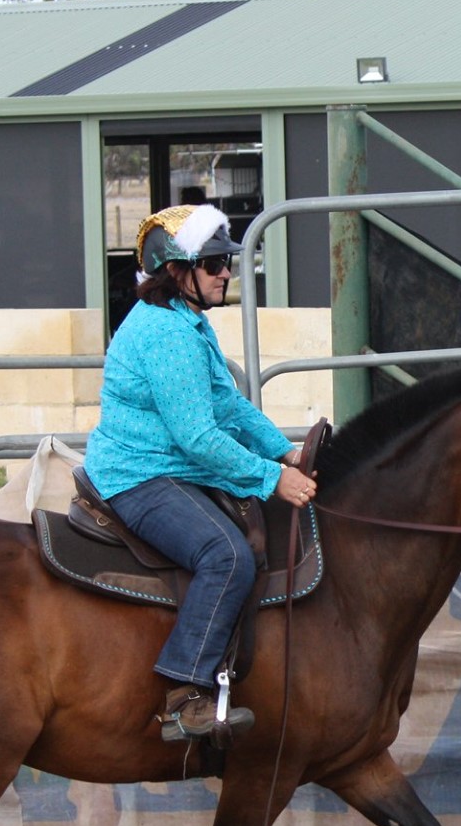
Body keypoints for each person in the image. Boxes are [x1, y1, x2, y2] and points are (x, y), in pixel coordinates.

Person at [83, 203, 317, 745]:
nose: (226, 273)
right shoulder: (167, 335)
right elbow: (199, 438)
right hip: (140, 476)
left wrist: (285, 451)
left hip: (170, 466)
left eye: (226, 263)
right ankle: (184, 695)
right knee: (227, 556)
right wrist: (272, 478)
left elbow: (227, 405)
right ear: (176, 271)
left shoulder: (187, 321)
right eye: (213, 264)